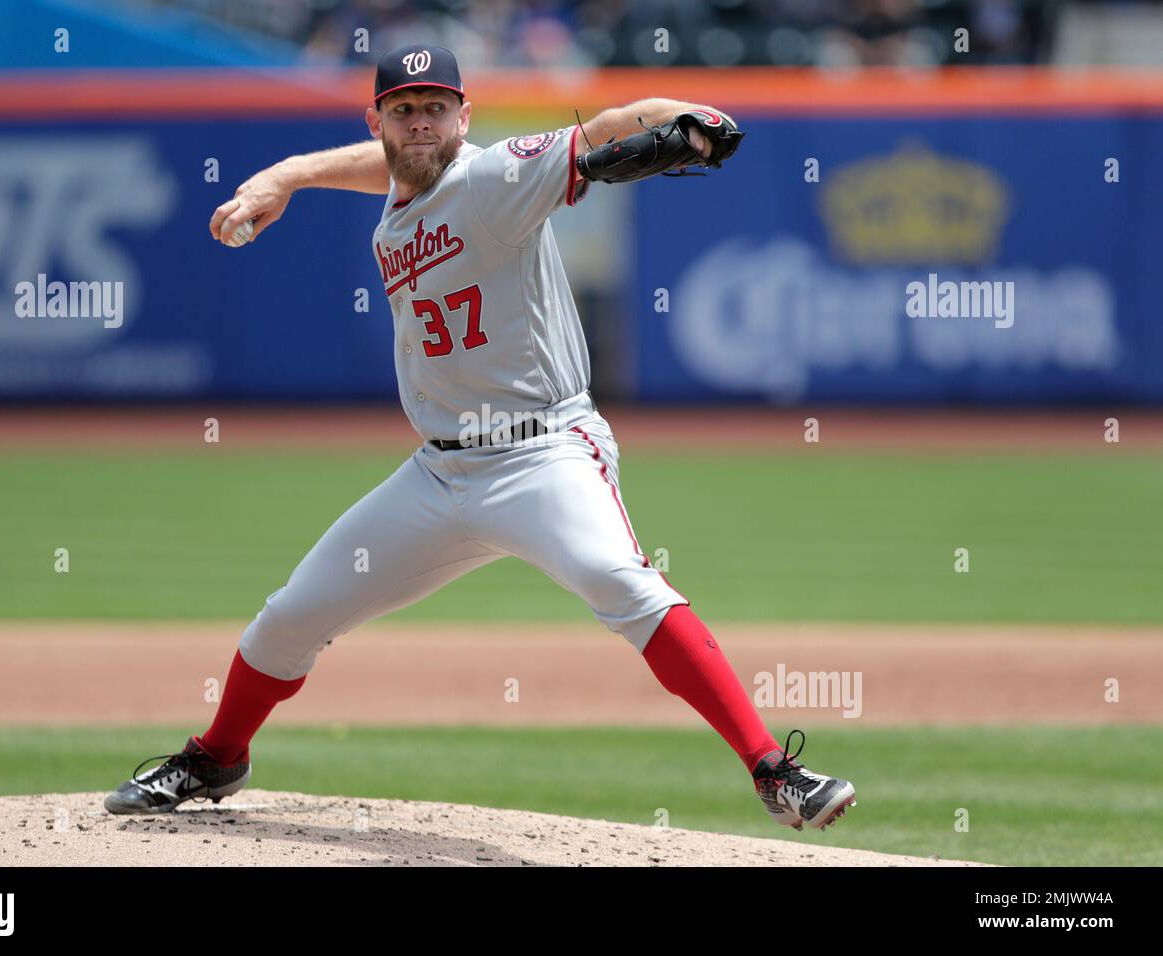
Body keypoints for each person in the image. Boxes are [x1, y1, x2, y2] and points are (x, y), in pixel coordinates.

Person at [103, 44, 856, 834]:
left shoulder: (501, 176)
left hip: (544, 456)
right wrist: (287, 173)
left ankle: (777, 770)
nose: (420, 123)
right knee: (290, 617)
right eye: (403, 109)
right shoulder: (404, 178)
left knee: (620, 580)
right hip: (438, 477)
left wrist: (685, 118)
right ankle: (217, 756)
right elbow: (397, 165)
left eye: (437, 108)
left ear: (467, 117)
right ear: (379, 120)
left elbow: (603, 127)